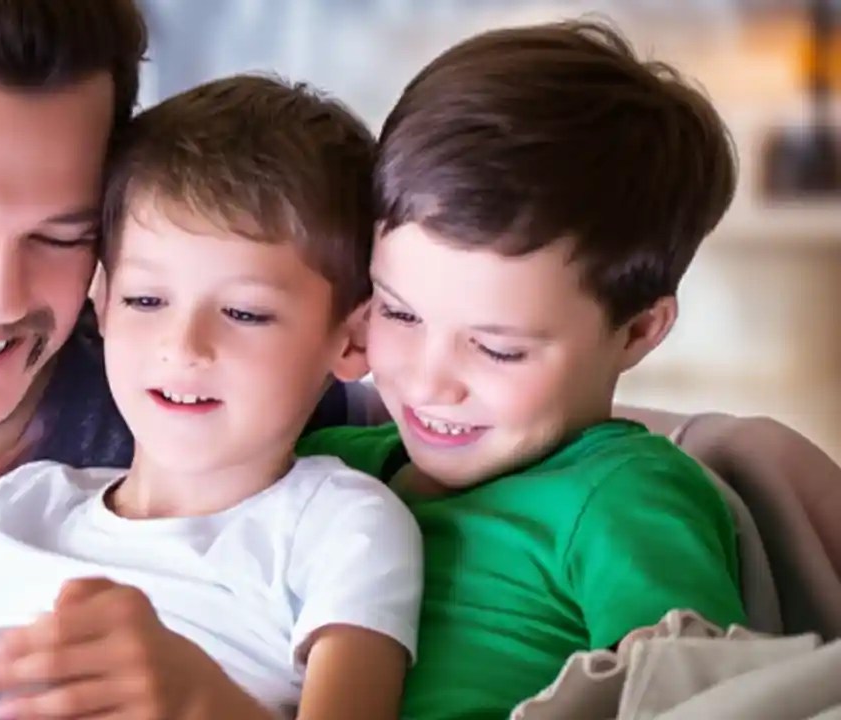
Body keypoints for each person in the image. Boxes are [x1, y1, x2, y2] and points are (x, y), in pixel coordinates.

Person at [0, 74, 422, 720]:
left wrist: (199, 702)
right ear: (101, 307)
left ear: (353, 341)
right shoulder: (21, 507)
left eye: (244, 313)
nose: (184, 346)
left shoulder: (339, 528)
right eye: (146, 300)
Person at [297, 20, 749, 720]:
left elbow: (701, 704)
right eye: (399, 313)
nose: (427, 381)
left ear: (635, 331)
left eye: (498, 348)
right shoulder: (320, 465)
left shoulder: (621, 499)